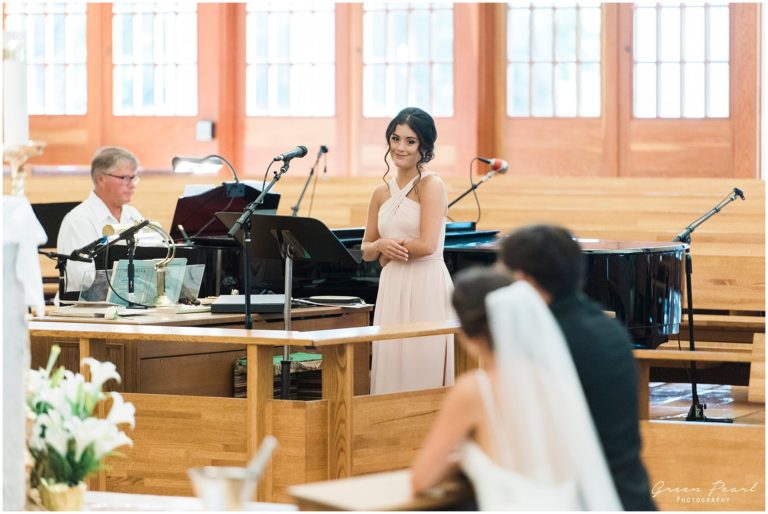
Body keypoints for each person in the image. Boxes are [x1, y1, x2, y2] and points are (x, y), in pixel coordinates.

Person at [411, 267, 622, 510]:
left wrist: (463, 461)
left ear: (469, 335)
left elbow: (422, 480)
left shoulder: (474, 390)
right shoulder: (556, 377)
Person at [498, 224, 657, 511]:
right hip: (631, 490)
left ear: (523, 279)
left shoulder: (545, 337)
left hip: (585, 497)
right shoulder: (609, 327)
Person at [361, 107, 454, 394]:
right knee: (390, 362)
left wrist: (388, 253)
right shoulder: (380, 193)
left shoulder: (431, 185)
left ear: (423, 146)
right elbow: (366, 250)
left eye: (410, 141)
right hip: (392, 286)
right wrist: (378, 246)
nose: (400, 147)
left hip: (425, 283)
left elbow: (427, 244)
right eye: (395, 138)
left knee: (420, 363)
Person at [56, 147, 144, 297]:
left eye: (133, 178)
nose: (132, 184)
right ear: (101, 179)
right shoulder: (79, 220)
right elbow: (82, 278)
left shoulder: (133, 215)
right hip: (83, 311)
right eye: (124, 178)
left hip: (128, 302)